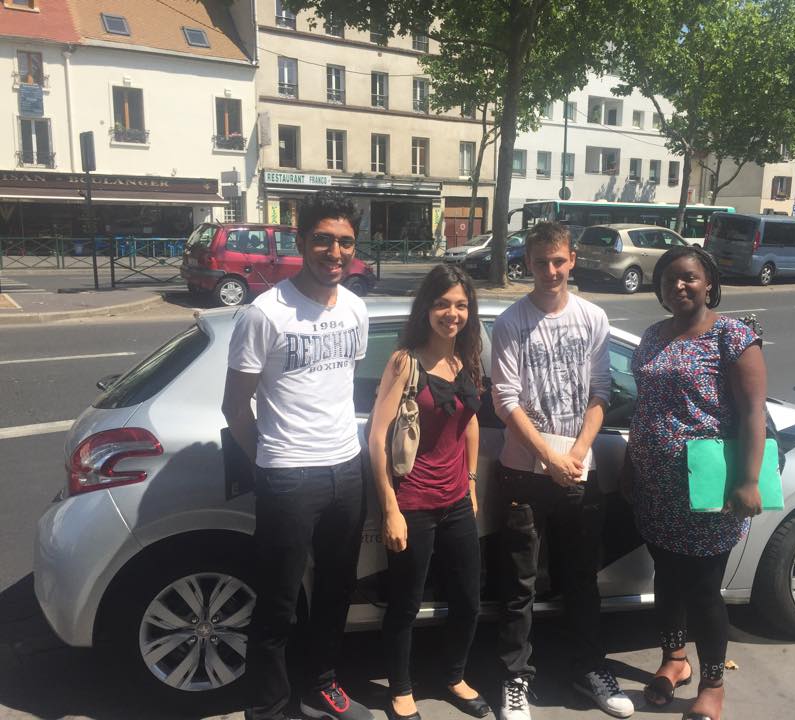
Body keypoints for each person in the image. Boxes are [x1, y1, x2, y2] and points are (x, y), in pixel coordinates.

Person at [222, 191, 374, 720]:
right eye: (324, 240)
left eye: (345, 242)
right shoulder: (264, 313)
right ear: (301, 241)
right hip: (288, 475)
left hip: (347, 470)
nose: (335, 252)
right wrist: (270, 458)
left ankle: (322, 686)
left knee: (336, 591)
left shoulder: (356, 307)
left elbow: (341, 384)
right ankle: (266, 707)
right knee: (279, 602)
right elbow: (234, 407)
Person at [491, 221, 633, 720]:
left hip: (578, 470)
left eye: (559, 261)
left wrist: (574, 455)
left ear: (572, 259)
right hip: (524, 473)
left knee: (580, 579)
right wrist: (548, 457)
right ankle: (514, 679)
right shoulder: (510, 322)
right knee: (519, 584)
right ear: (526, 263)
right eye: (539, 262)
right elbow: (505, 398)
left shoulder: (592, 317)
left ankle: (588, 668)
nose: (550, 271)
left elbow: (601, 392)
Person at [623, 245, 767, 720]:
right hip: (656, 487)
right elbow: (644, 407)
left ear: (708, 282)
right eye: (668, 280)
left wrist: (747, 480)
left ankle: (712, 684)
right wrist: (632, 465)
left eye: (688, 277)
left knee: (704, 590)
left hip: (709, 489)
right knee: (666, 580)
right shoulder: (652, 335)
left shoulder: (732, 336)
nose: (678, 286)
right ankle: (674, 660)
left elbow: (752, 415)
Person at [368, 264, 490, 720]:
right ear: (427, 308)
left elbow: (470, 420)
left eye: (460, 305)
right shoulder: (405, 361)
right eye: (442, 304)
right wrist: (390, 508)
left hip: (457, 500)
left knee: (468, 600)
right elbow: (377, 438)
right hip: (413, 503)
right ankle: (400, 688)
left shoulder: (465, 358)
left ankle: (453, 675)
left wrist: (472, 481)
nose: (452, 314)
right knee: (405, 604)